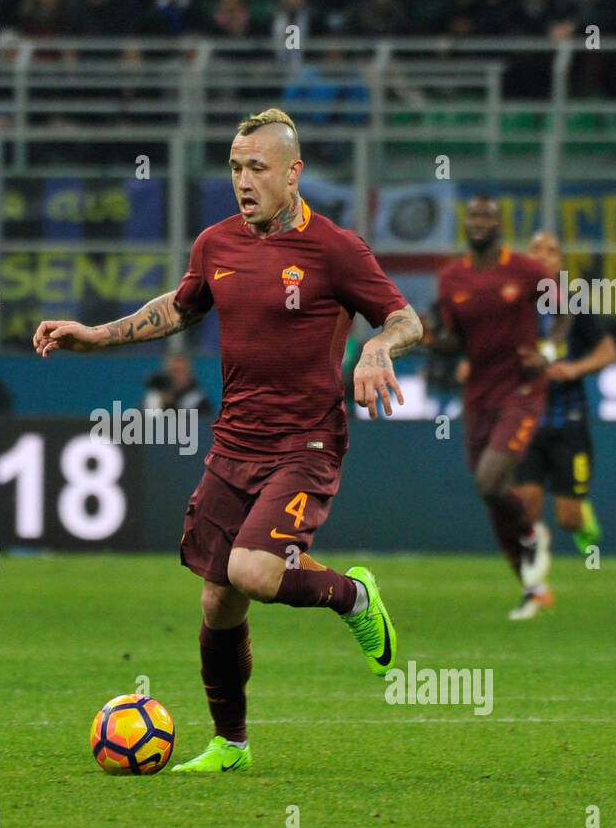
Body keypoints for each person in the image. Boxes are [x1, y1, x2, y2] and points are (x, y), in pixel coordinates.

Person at [34, 108, 420, 773]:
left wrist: (379, 346)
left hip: (308, 442)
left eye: (257, 168)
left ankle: (354, 597)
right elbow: (180, 308)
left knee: (252, 571)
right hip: (234, 443)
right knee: (218, 599)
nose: (244, 180)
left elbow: (407, 317)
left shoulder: (334, 248)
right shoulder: (216, 244)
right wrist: (97, 335)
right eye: (236, 168)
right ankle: (231, 745)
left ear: (293, 172)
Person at [459, 232, 616, 619]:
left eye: (551, 251)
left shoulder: (573, 304)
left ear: (561, 263)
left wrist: (575, 369)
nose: (543, 257)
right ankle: (535, 589)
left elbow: (608, 351)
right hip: (523, 421)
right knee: (526, 512)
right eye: (535, 250)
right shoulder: (510, 303)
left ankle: (582, 522)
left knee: (567, 515)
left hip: (568, 421)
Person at [422, 197, 565, 619]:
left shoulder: (525, 270)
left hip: (522, 390)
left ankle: (531, 534)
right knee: (492, 494)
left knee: (489, 481)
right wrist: (431, 339)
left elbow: (564, 310)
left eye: (487, 216)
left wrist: (549, 351)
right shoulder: (451, 277)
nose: (479, 222)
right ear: (466, 224)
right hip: (480, 394)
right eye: (473, 216)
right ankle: (532, 584)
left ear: (501, 224)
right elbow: (457, 341)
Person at [142, 352, 212, 415]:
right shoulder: (155, 397)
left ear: (190, 374)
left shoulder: (199, 400)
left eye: (182, 372)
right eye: (174, 371)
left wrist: (169, 404)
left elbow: (202, 425)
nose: (177, 376)